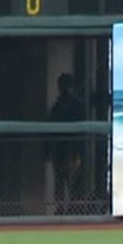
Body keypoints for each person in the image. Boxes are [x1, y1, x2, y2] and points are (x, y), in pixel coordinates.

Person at [46, 74, 86, 214]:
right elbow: (51, 127)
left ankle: (70, 208)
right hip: (62, 150)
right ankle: (63, 208)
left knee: (70, 181)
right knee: (63, 181)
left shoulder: (71, 105)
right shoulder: (61, 105)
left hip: (69, 150)